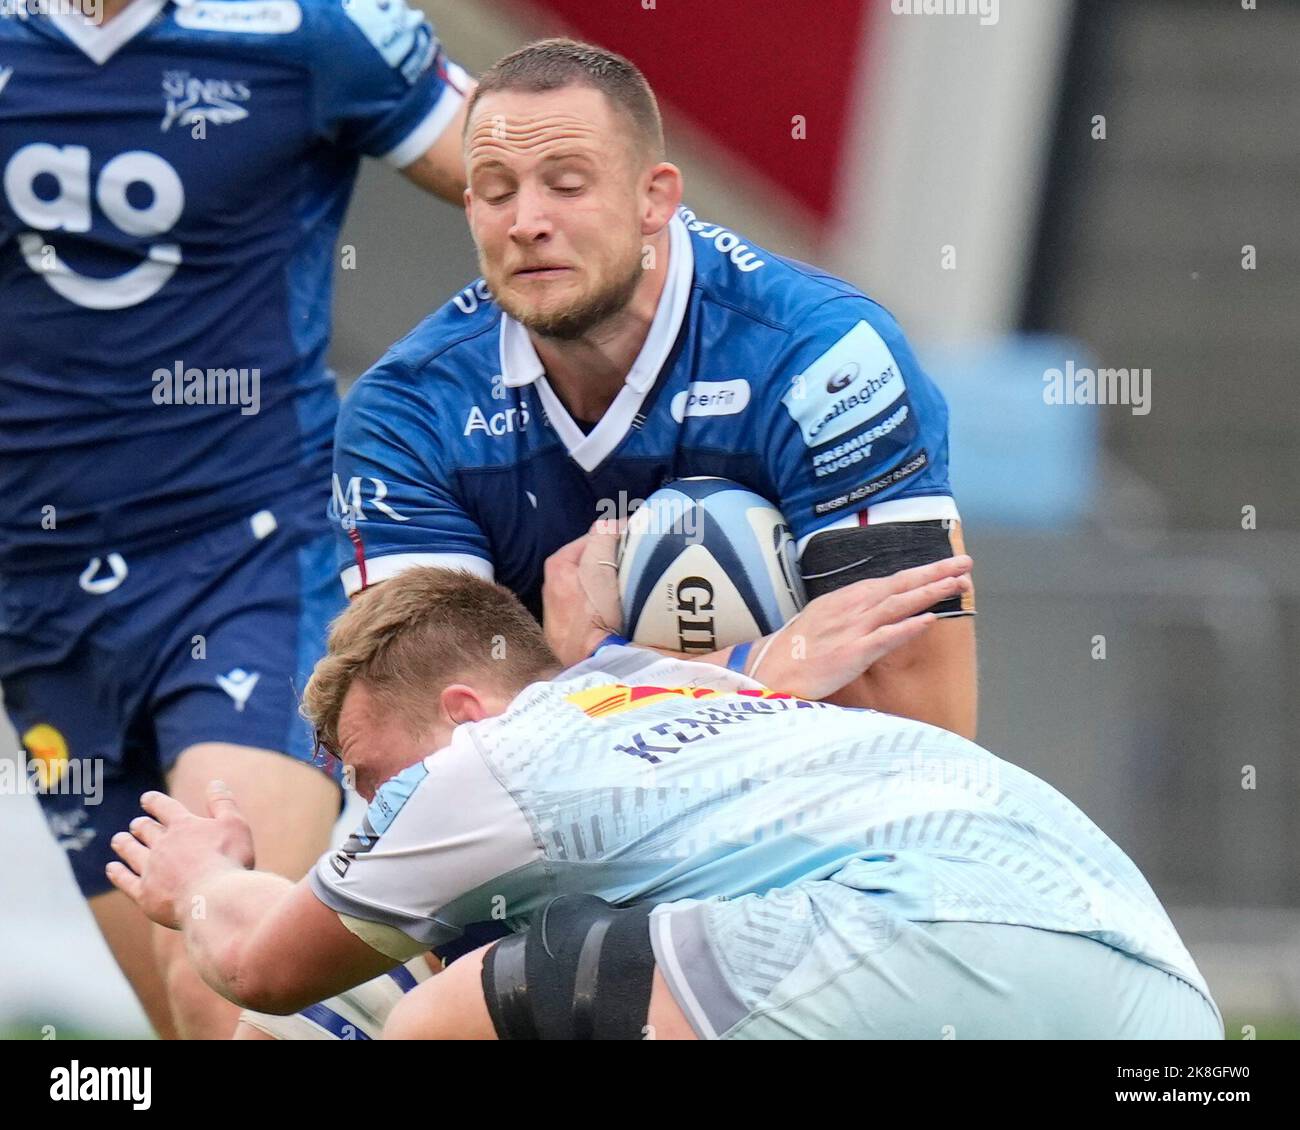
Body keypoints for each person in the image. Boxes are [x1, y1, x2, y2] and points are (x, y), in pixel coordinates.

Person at [104, 553, 1222, 1040]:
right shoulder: (676, 691)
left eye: (373, 772)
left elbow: (266, 967)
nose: (375, 808)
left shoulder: (485, 764)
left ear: (463, 709)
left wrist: (205, 878)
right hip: (1158, 995)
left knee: (448, 1010)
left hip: (917, 940)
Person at [0, 0, 473, 1038]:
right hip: (39, 613)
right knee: (189, 1027)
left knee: (215, 984)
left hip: (250, 561)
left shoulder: (310, 29)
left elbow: (535, 185)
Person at [333, 37, 978, 742]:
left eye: (568, 184)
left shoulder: (829, 361)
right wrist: (758, 666)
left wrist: (592, 666)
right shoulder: (405, 413)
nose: (525, 222)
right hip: (545, 839)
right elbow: (420, 751)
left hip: (801, 816)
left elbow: (922, 732)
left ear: (656, 198)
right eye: (495, 191)